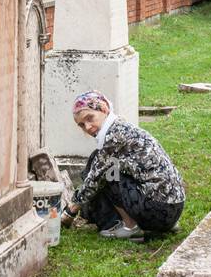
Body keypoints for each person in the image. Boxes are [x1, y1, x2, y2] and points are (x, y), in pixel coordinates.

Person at [61, 90, 185, 240]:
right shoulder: (121, 127)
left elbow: (93, 181)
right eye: (81, 125)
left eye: (90, 118)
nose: (87, 127)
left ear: (104, 109)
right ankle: (161, 225)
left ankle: (130, 226)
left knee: (107, 173)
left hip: (157, 211)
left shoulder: (114, 136)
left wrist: (70, 211)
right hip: (174, 208)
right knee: (101, 163)